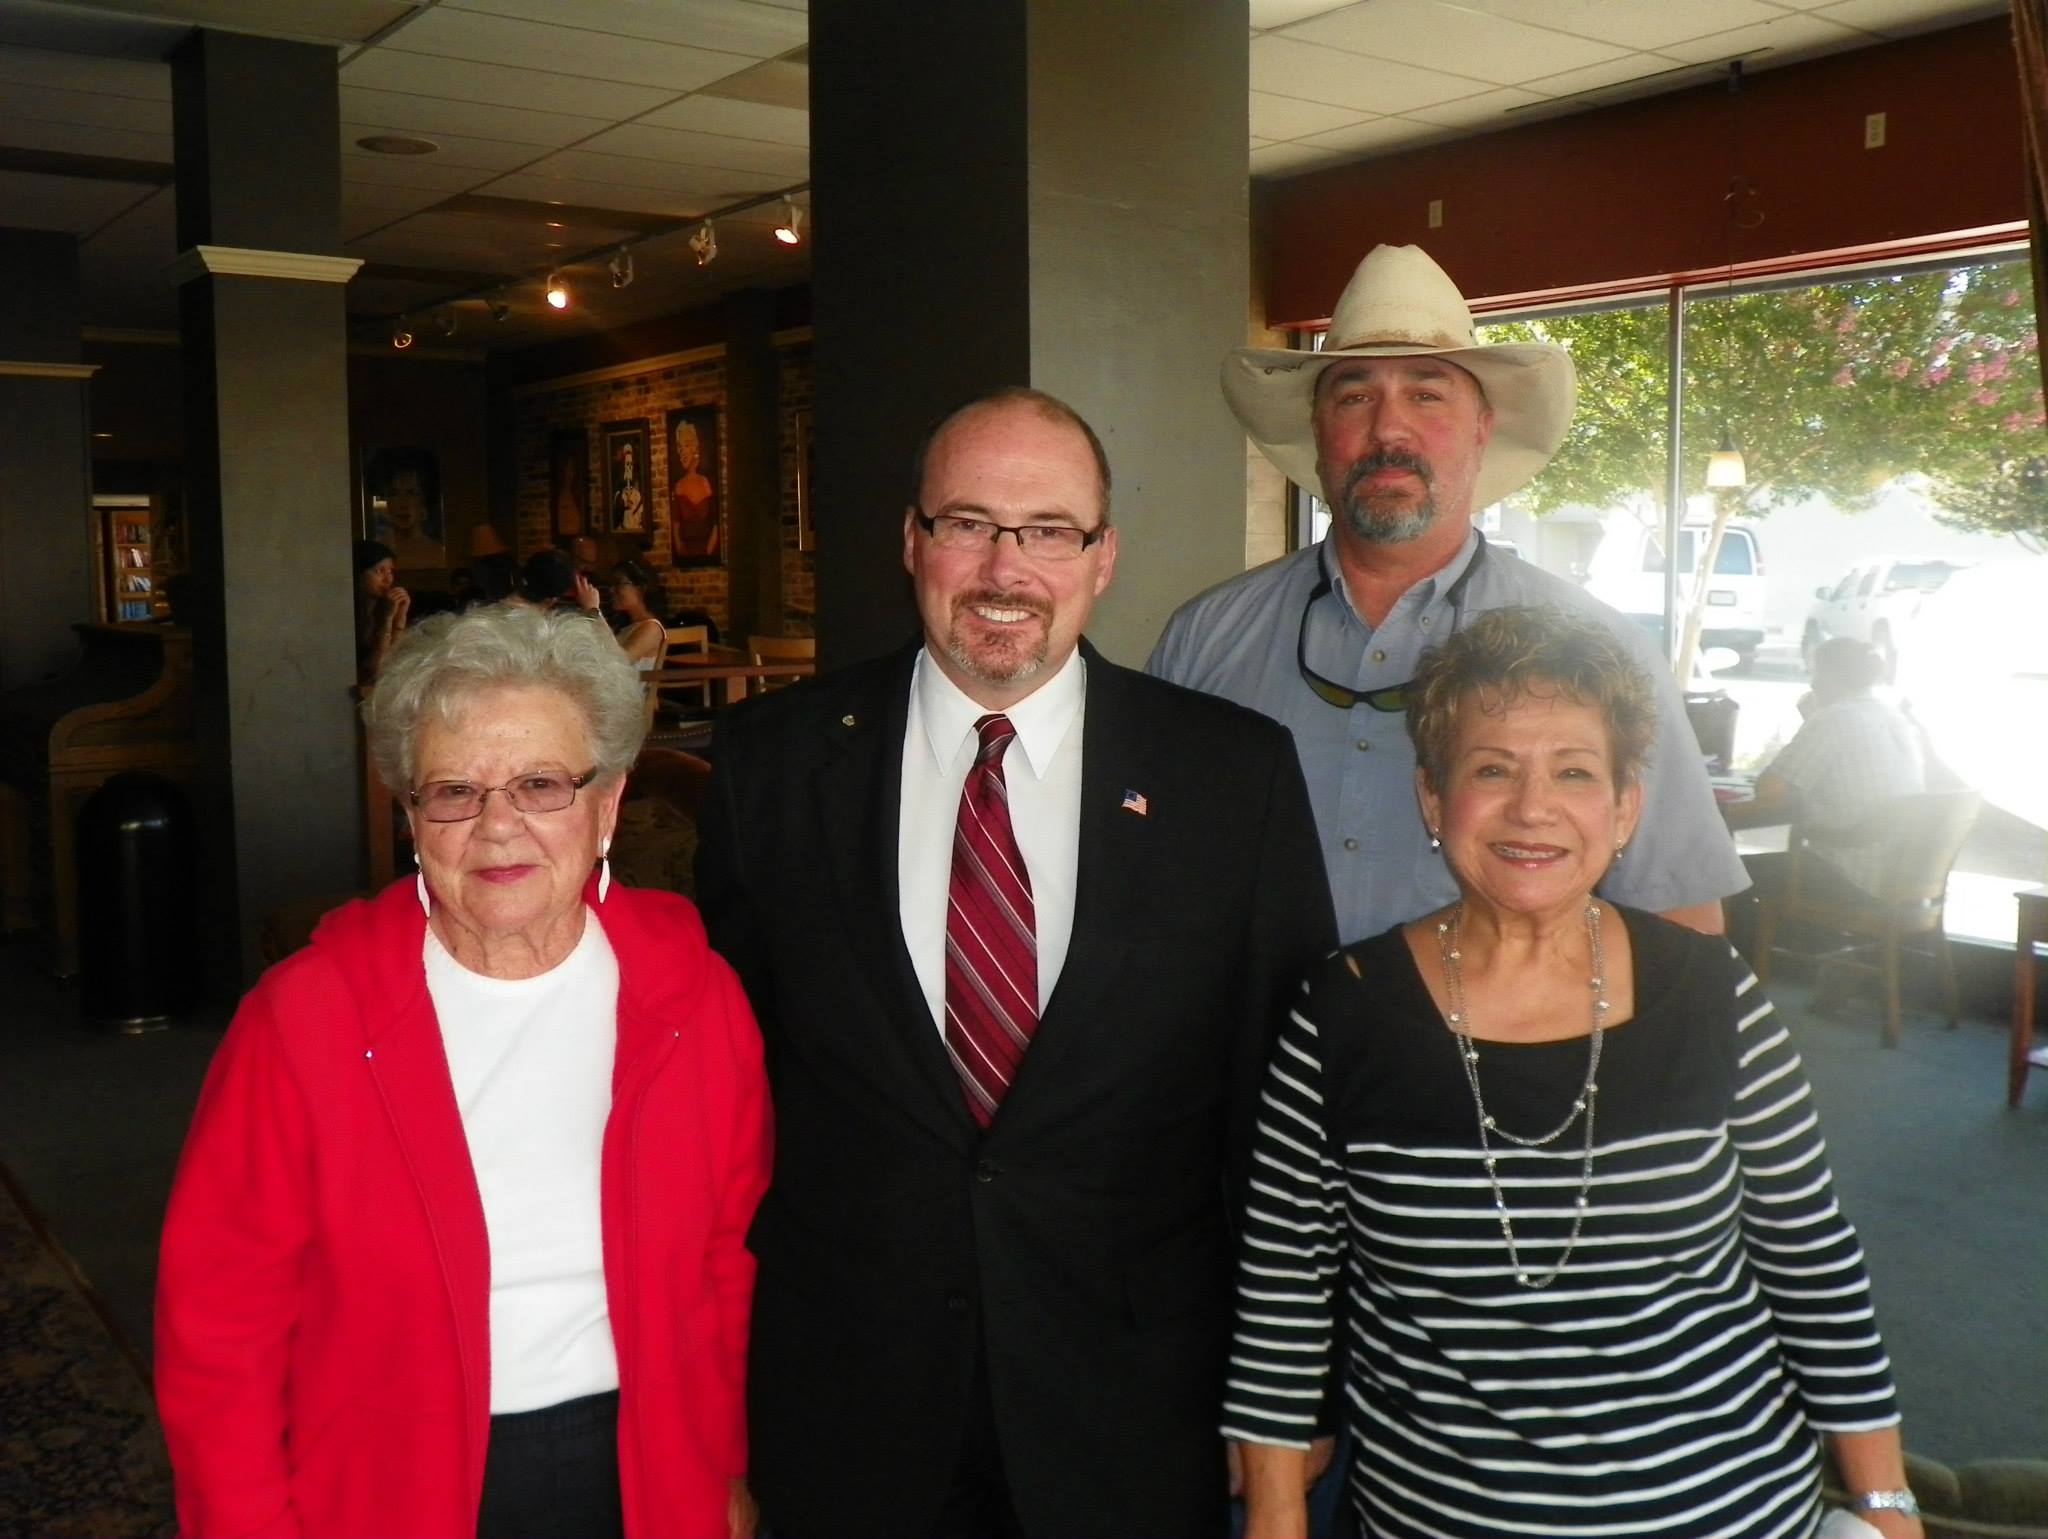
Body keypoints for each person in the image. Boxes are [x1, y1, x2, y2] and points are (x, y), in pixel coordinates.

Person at [695, 387, 1335, 1539]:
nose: (1005, 566)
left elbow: (1283, 1118)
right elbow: (720, 1109)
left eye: (1047, 530)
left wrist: (1290, 1394)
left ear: (1101, 559)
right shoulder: (769, 766)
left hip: (1132, 1406)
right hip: (846, 1406)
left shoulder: (1229, 778)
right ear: (910, 543)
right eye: (967, 523)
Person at [1228, 605, 1920, 1539]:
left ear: (1624, 807)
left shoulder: (1714, 995)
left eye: (1575, 772)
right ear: (1432, 798)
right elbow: (1283, 1295)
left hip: (1730, 1513)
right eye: (1491, 769)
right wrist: (1277, 1519)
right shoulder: (1340, 1012)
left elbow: (1812, 1261)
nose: (1533, 807)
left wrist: (1884, 1501)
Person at [155, 604, 771, 1539]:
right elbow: (217, 1333)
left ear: (607, 804)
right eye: (453, 791)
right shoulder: (304, 1022)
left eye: (539, 783)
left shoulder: (696, 997)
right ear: (411, 814)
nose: (497, 826)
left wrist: (721, 1465)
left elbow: (728, 1266)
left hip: (649, 1469)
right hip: (392, 1488)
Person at [1149, 244, 1746, 947]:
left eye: (1427, 393)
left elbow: (1682, 919)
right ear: (1318, 430)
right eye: (1354, 396)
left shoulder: (1601, 651)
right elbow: (1146, 876)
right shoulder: (1206, 639)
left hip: (1487, 1056)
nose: (1388, 429)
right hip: (1247, 1055)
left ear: (1482, 427)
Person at [1724, 637, 1930, 944]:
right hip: (1908, 874)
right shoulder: (1890, 714)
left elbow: (1769, 789)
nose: (1812, 681)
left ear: (1831, 675)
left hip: (1854, 876)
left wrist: (1811, 720)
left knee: (1724, 875)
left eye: (1815, 671)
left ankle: (1742, 972)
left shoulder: (1835, 717)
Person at [355, 536, 409, 680]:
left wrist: (399, 619)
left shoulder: (385, 608)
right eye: (379, 571)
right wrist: (387, 620)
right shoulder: (348, 615)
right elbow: (375, 671)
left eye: (390, 571)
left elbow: (395, 665)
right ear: (359, 574)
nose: (388, 579)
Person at [608, 556, 670, 672]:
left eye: (618, 583)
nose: (611, 590)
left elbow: (617, 665)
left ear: (641, 589)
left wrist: (593, 611)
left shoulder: (652, 628)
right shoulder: (623, 625)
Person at [670, 418, 720, 561]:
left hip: (707, 549)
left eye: (686, 445)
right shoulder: (679, 486)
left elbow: (716, 522)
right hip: (685, 552)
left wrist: (709, 549)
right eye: (679, 447)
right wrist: (681, 550)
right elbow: (676, 525)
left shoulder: (706, 483)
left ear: (695, 447)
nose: (682, 452)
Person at [614, 440, 647, 534]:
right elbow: (617, 494)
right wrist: (623, 500)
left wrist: (635, 506)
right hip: (626, 513)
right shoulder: (620, 475)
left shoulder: (637, 474)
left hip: (635, 511)